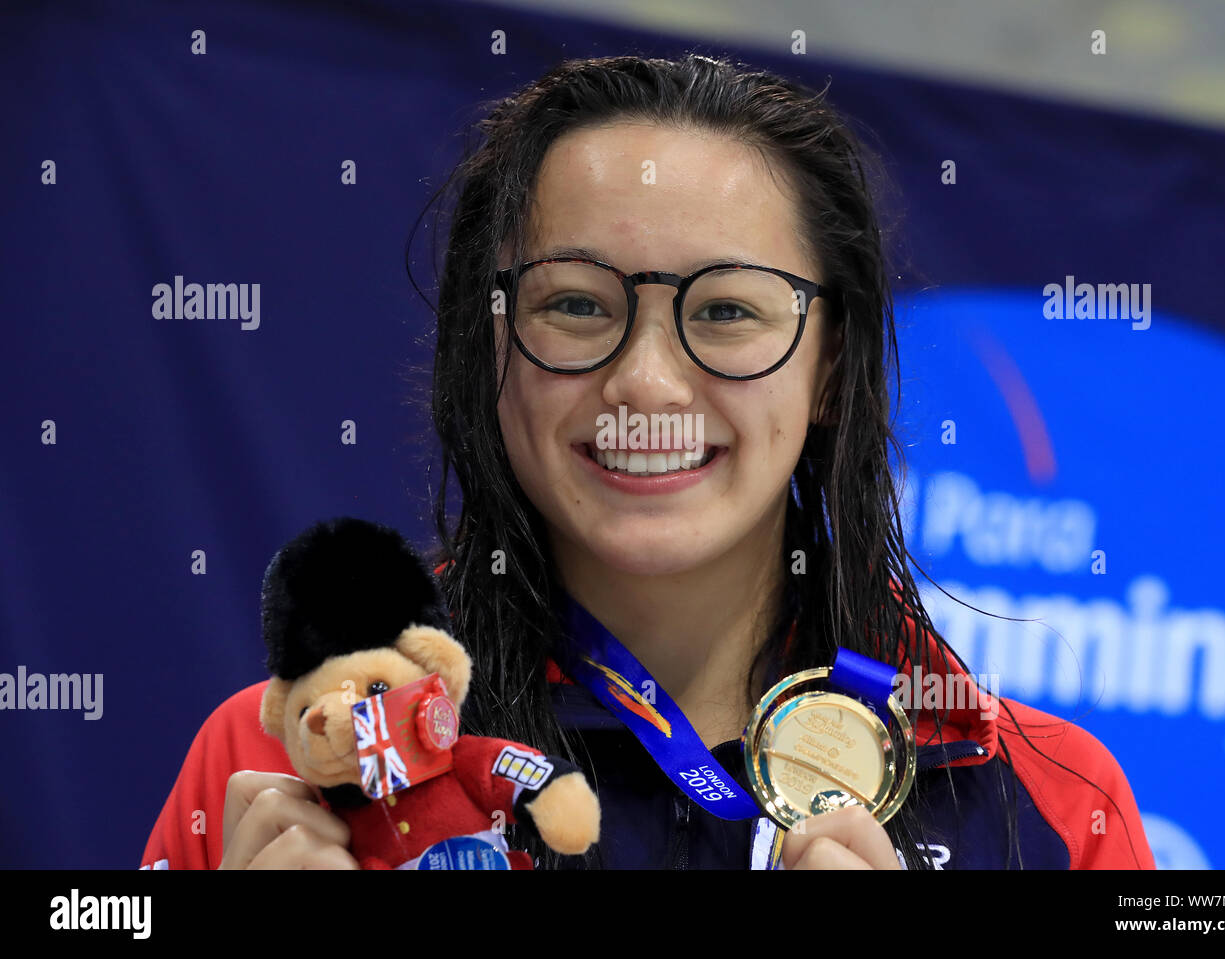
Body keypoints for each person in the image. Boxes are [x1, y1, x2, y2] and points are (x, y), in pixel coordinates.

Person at [142, 53, 1154, 871]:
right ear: (488, 347)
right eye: (577, 304)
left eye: (726, 310)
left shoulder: (1051, 802)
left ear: (831, 368)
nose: (649, 383)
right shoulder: (288, 752)